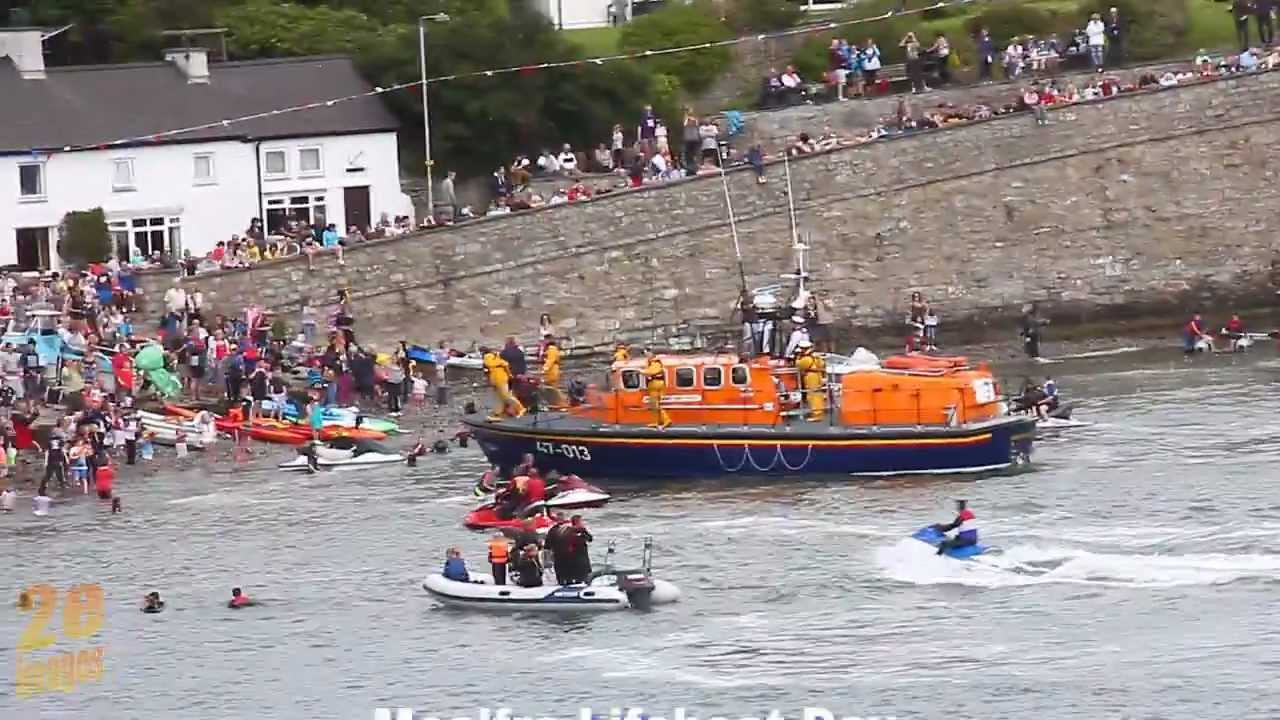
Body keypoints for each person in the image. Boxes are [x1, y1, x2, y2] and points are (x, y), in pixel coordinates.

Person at [481, 348, 525, 421]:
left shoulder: (489, 358)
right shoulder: (498, 360)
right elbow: (505, 367)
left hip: (500, 380)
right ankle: (498, 412)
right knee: (499, 396)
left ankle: (521, 408)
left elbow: (489, 366)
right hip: (497, 380)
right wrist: (509, 375)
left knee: (506, 396)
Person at [794, 340, 827, 422]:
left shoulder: (807, 358)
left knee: (812, 395)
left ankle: (816, 415)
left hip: (811, 377)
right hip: (818, 375)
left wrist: (797, 358)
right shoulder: (816, 357)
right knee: (818, 395)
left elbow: (799, 365)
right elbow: (822, 364)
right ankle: (819, 413)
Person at [642, 348, 671, 429]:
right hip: (653, 384)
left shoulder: (656, 362)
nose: (646, 355)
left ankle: (666, 420)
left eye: (647, 353)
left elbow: (652, 372)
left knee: (656, 405)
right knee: (654, 405)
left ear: (651, 353)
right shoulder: (650, 362)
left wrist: (642, 372)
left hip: (656, 384)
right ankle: (656, 421)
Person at [541, 336, 564, 408]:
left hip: (552, 371)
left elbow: (550, 360)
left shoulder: (552, 349)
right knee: (550, 389)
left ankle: (561, 403)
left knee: (553, 389)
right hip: (551, 371)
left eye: (545, 340)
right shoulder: (550, 349)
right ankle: (554, 404)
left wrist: (545, 369)